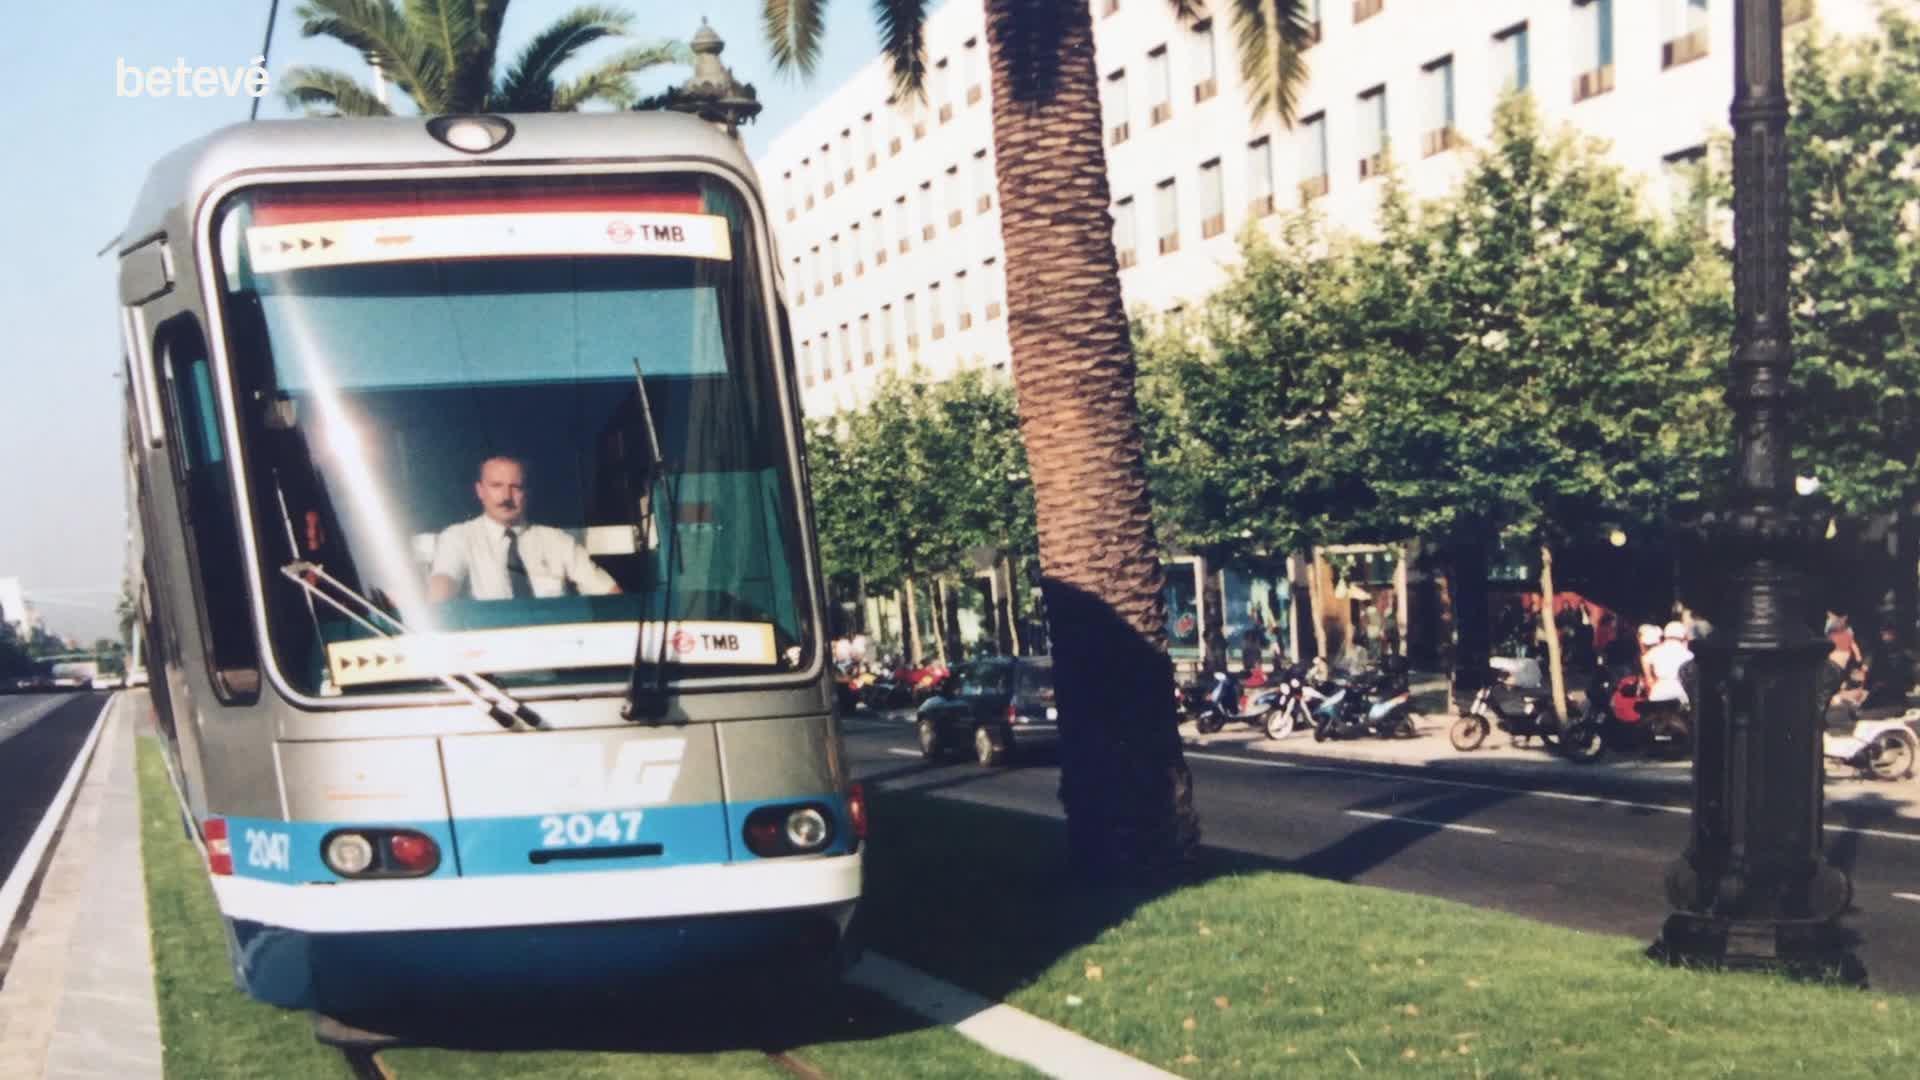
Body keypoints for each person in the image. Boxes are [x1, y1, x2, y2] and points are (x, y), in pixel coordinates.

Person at [427, 456, 620, 602]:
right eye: (496, 486)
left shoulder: (558, 541)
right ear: (480, 490)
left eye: (516, 487)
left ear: (527, 492)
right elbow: (442, 589)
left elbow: (611, 595)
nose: (506, 497)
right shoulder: (458, 538)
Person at [1645, 621, 1695, 710]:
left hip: (1659, 689)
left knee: (1655, 717)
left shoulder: (1656, 650)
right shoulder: (1688, 654)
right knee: (1684, 718)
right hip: (1680, 689)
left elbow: (1645, 659)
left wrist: (1649, 678)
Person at [1865, 624, 1914, 710]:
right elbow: (1872, 672)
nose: (1886, 637)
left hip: (1896, 687)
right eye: (1884, 634)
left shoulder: (1903, 654)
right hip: (1881, 687)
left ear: (1894, 634)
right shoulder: (1879, 653)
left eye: (1888, 634)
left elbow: (1908, 677)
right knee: (1875, 694)